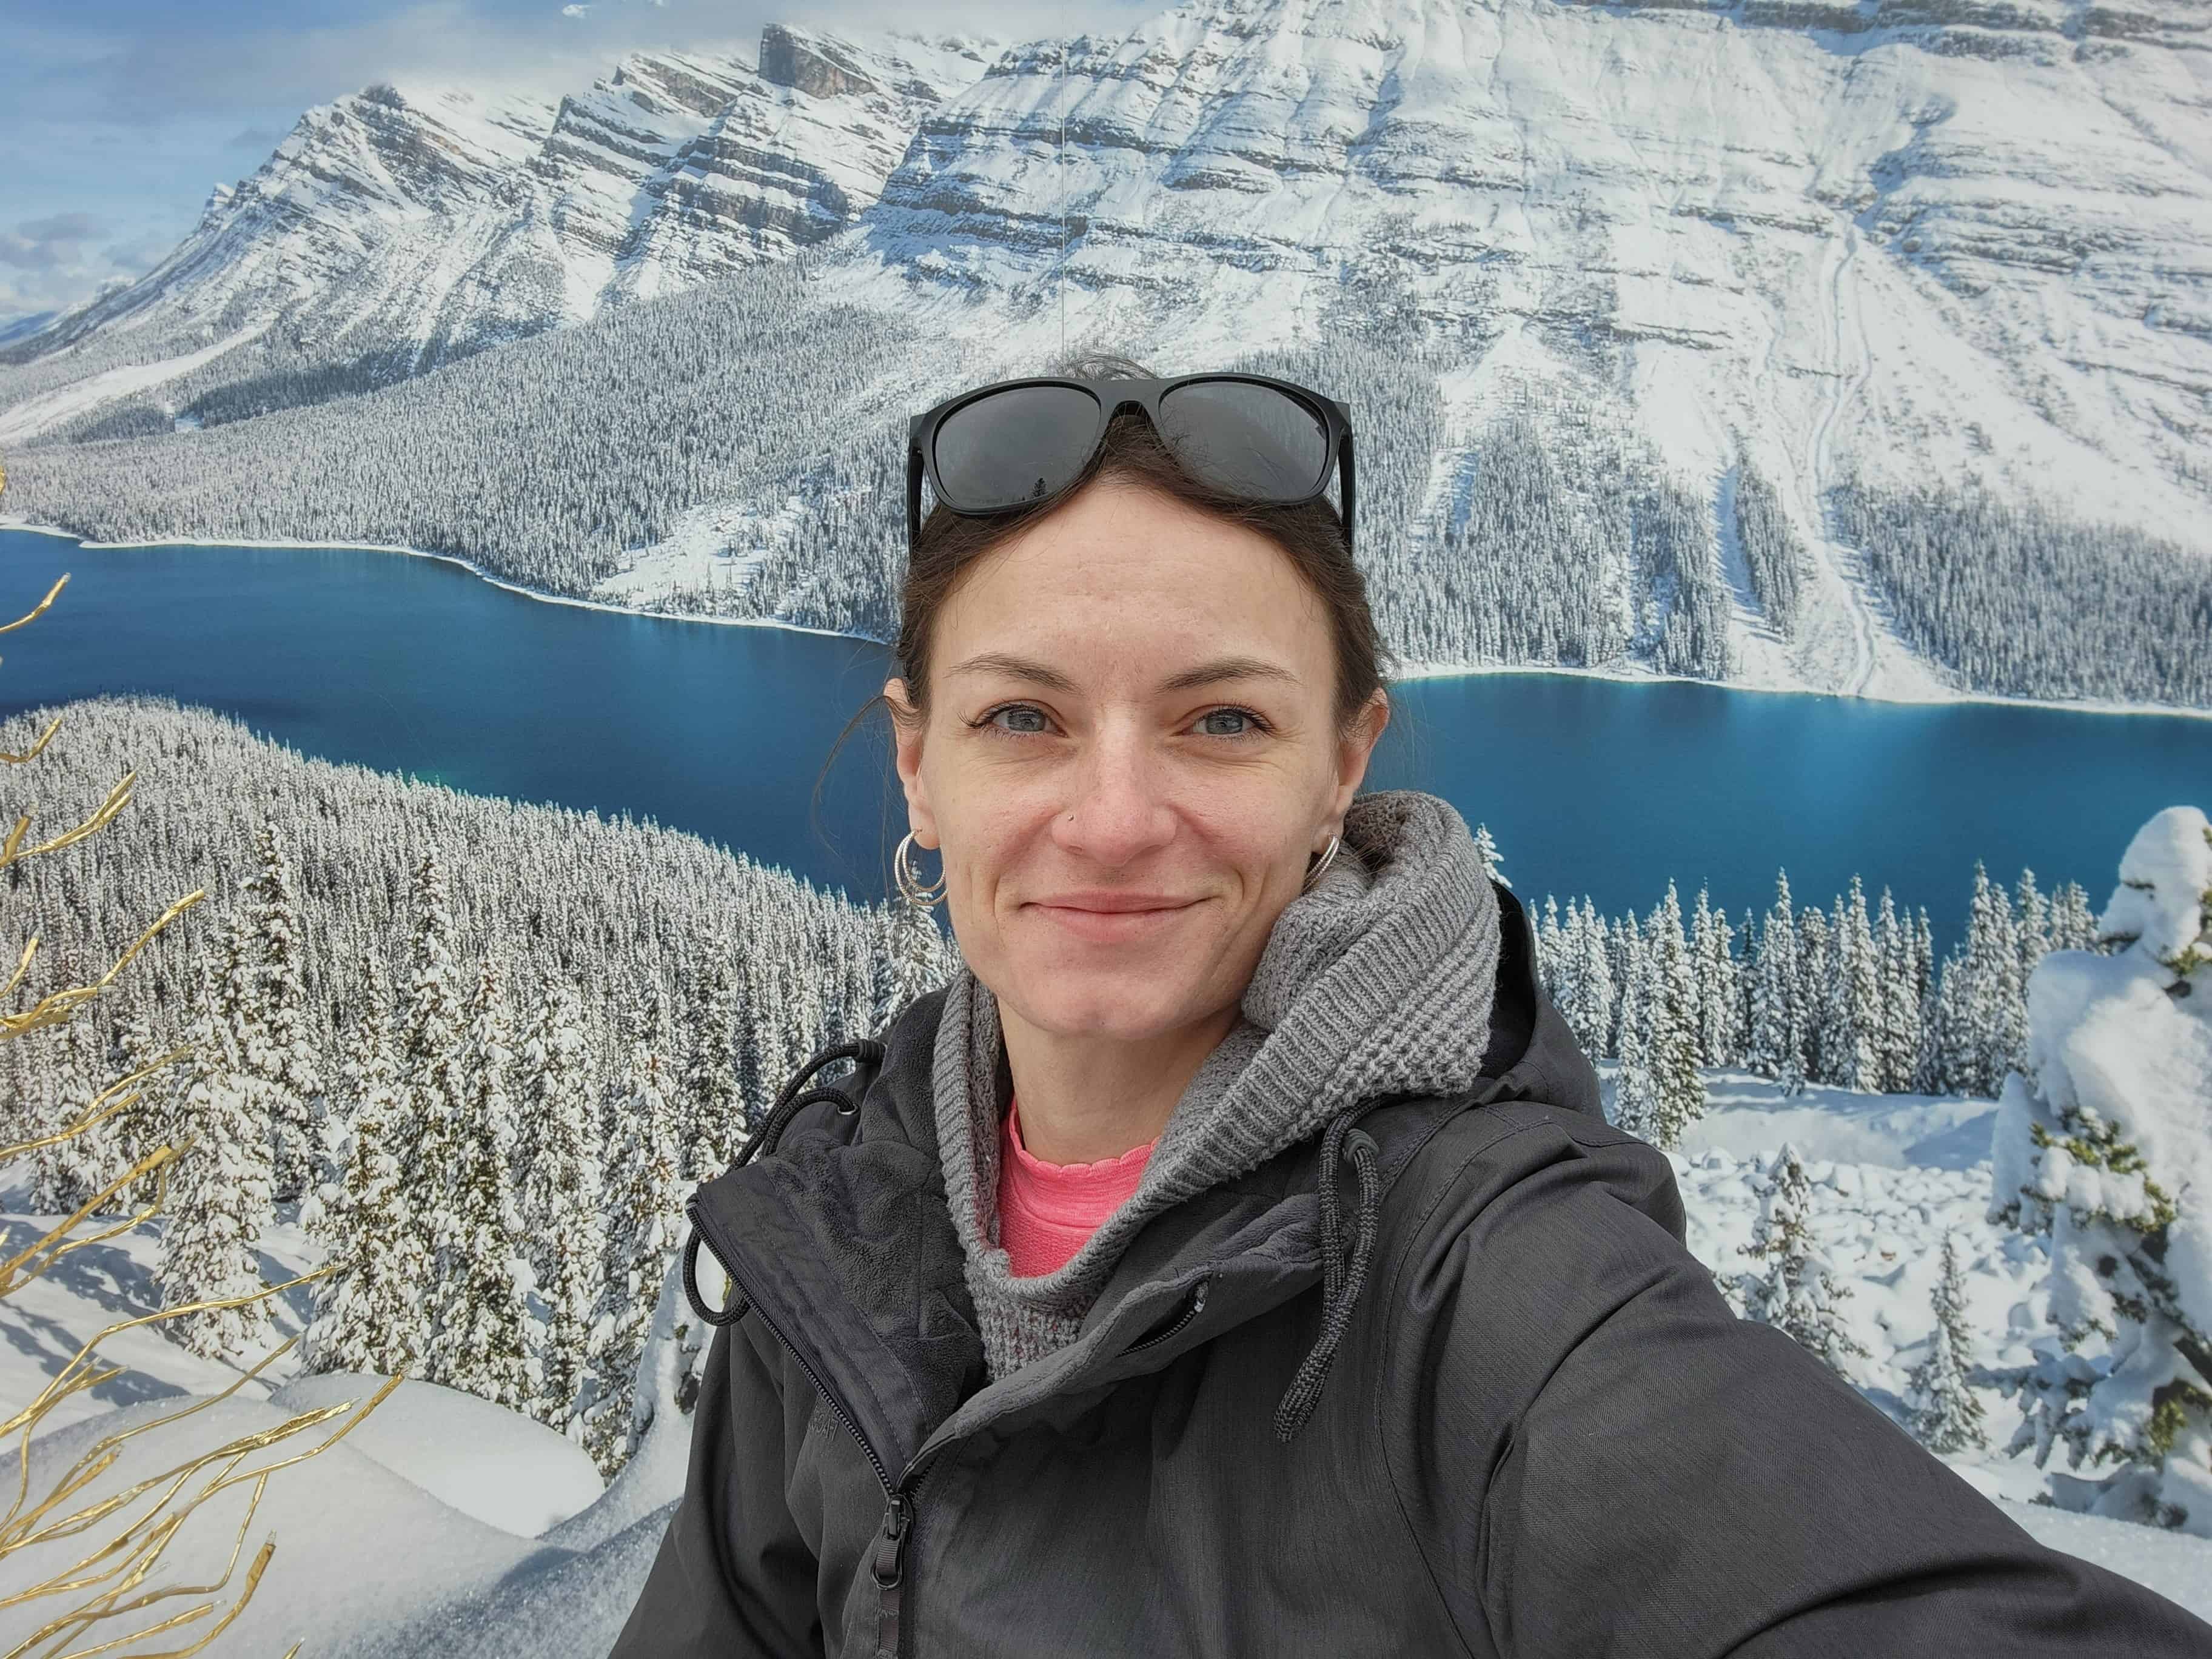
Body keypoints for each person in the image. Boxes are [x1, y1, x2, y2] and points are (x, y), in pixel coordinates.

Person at [611, 356, 2212, 1657]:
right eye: (1021, 715)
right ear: (919, 767)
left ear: (1343, 769)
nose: (1108, 819)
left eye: (1222, 720)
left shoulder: (1483, 1268)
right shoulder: (846, 1212)